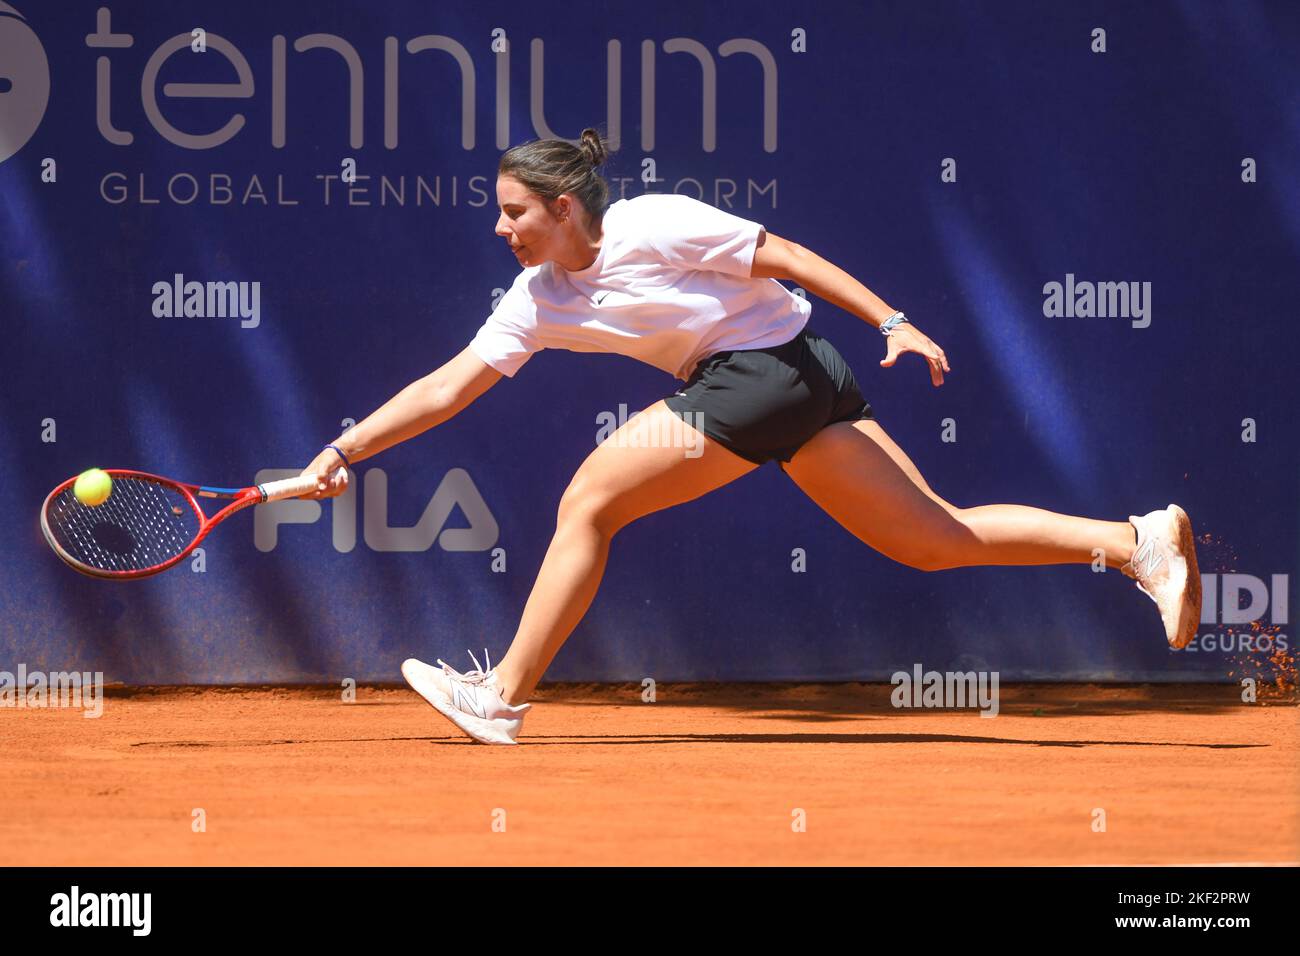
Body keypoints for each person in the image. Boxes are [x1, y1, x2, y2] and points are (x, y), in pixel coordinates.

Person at [298, 128, 1200, 745]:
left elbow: (787, 256)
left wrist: (892, 321)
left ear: (565, 205)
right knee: (934, 538)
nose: (501, 228)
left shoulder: (653, 222)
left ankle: (501, 698)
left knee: (589, 499)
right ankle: (1135, 543)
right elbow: (447, 387)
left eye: (514, 212)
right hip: (793, 382)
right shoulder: (538, 300)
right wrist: (342, 451)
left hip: (766, 370)